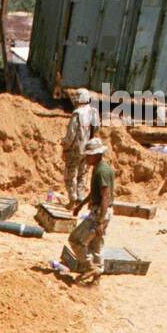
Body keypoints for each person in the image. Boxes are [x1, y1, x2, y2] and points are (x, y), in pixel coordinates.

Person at [66, 138, 114, 283]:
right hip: (104, 212)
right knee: (96, 246)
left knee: (75, 240)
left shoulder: (101, 171)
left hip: (100, 213)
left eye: (89, 155)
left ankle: (89, 267)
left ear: (97, 154)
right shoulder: (101, 168)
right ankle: (96, 279)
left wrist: (100, 221)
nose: (86, 158)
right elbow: (96, 193)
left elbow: (105, 196)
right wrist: (81, 205)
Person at [62, 89, 100, 209]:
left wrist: (65, 146)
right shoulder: (94, 112)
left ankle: (72, 200)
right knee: (82, 175)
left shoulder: (77, 113)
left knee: (70, 174)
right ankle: (80, 198)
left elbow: (71, 134)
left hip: (76, 148)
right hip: (88, 149)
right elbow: (97, 129)